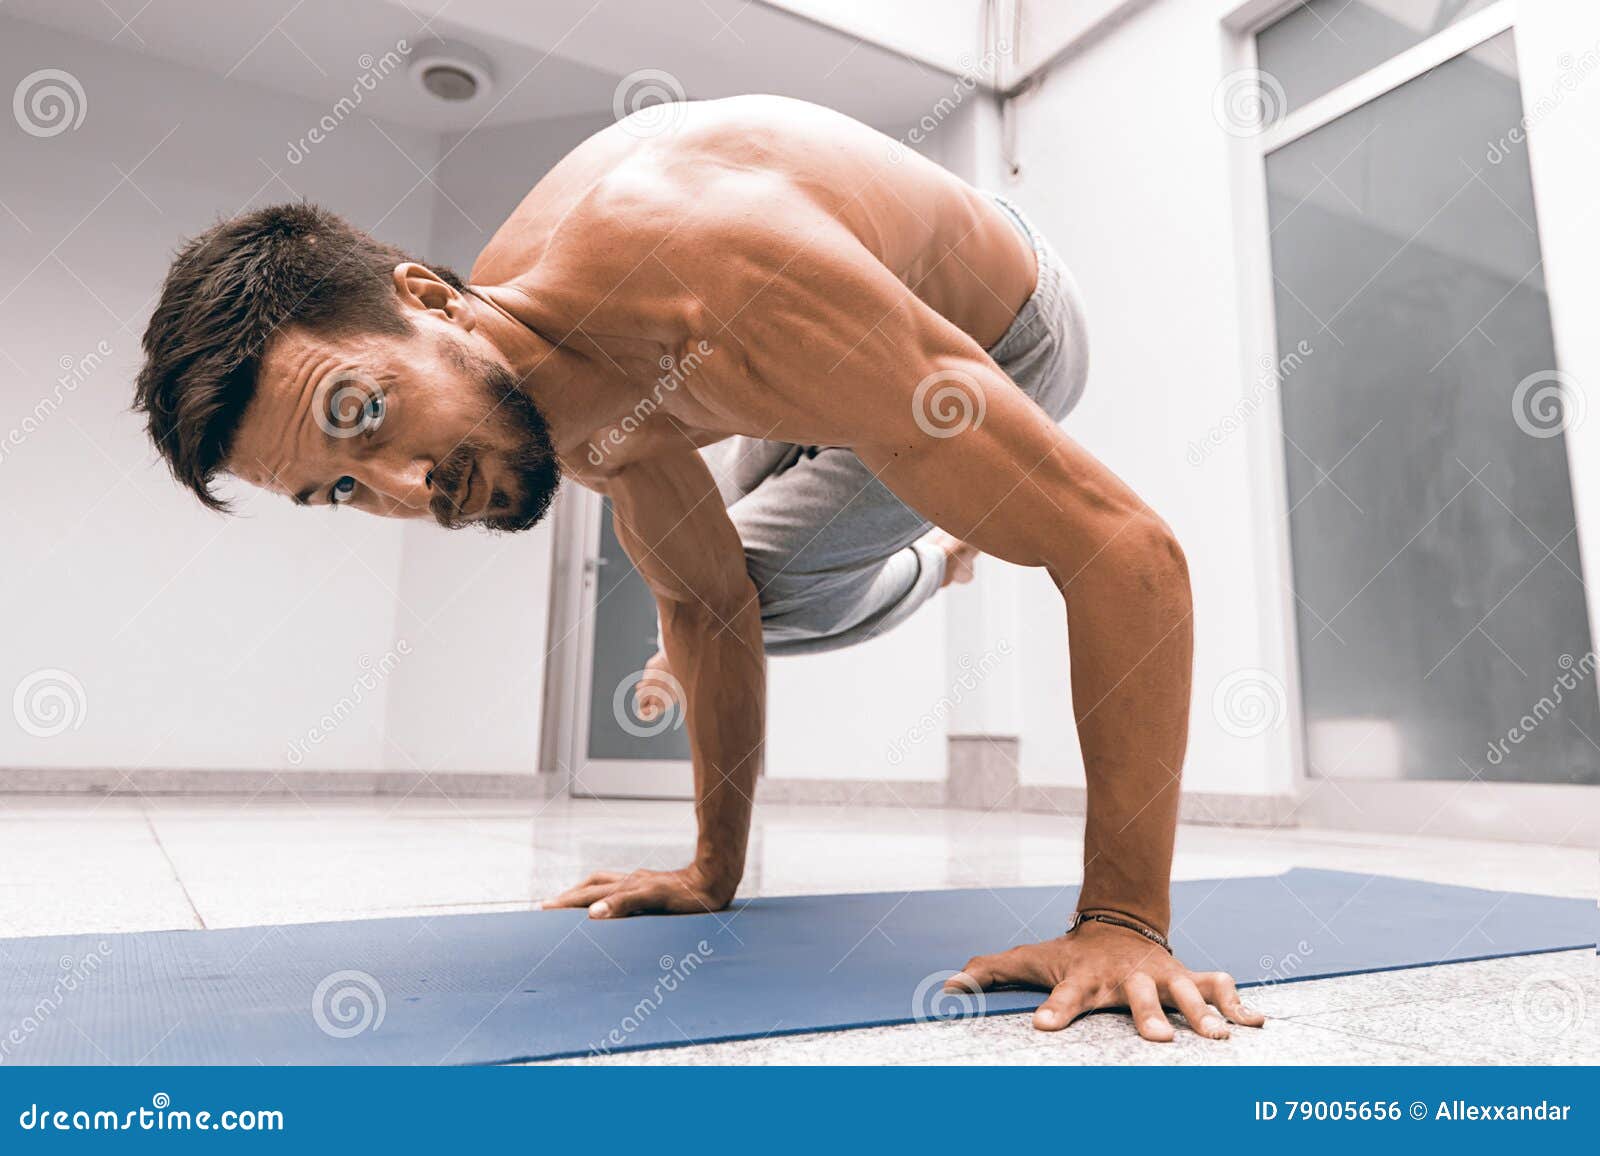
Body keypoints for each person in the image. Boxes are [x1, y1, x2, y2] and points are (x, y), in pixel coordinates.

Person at [134, 94, 1262, 1042]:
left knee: (769, 586)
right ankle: (921, 498)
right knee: (702, 602)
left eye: (360, 410)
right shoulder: (547, 391)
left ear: (428, 295)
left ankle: (948, 548)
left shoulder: (710, 277)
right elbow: (697, 600)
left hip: (998, 322)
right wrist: (710, 868)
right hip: (798, 337)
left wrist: (1124, 920)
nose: (401, 486)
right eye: (338, 487)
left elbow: (1126, 549)